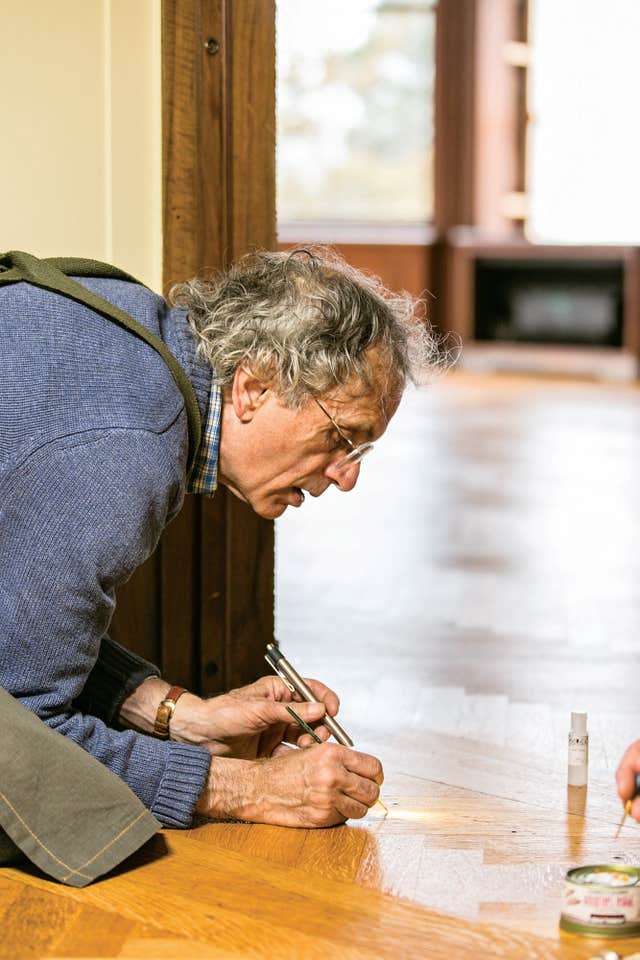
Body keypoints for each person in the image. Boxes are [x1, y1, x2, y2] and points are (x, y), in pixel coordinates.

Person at [0, 246, 437, 850]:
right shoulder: (127, 452)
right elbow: (23, 737)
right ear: (253, 388)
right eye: (342, 437)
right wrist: (247, 788)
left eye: (361, 451)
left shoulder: (132, 332)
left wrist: (179, 715)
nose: (347, 476)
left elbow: (16, 629)